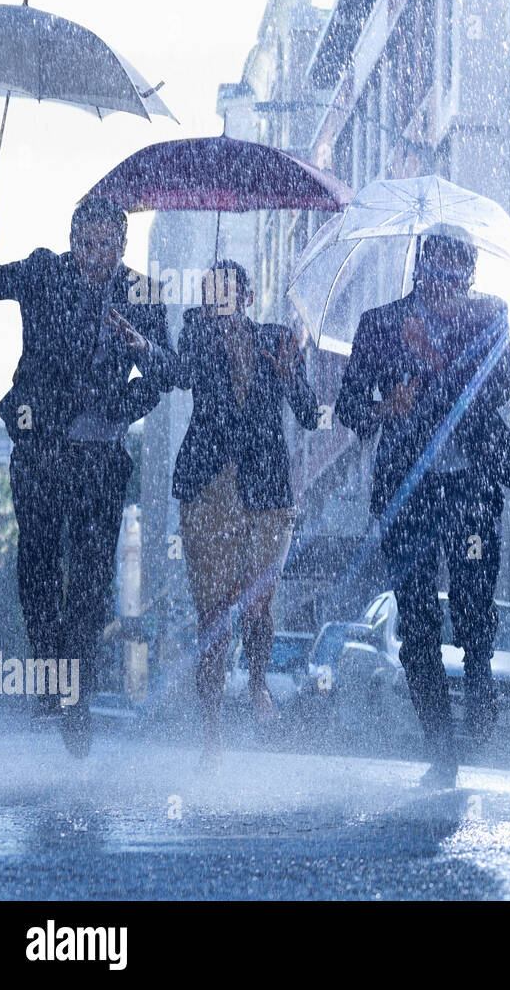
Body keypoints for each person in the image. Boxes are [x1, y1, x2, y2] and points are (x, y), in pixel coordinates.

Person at [0, 195, 176, 756]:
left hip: (101, 457)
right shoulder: (43, 271)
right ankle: (49, 671)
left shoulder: (141, 292)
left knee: (89, 583)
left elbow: (167, 372)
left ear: (123, 246)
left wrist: (129, 384)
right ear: (71, 240)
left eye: (107, 246)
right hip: (41, 445)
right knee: (38, 562)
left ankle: (76, 696)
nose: (95, 258)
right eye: (85, 245)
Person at [336, 233, 510, 789]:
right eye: (434, 277)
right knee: (417, 621)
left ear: (469, 281)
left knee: (472, 600)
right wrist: (382, 406)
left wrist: (436, 359)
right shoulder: (378, 323)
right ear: (418, 274)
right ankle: (440, 743)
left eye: (455, 280)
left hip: (469, 485)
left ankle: (481, 681)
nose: (444, 289)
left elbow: (500, 390)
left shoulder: (490, 315)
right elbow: (348, 406)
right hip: (407, 492)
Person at [172, 261, 319, 771]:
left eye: (228, 291)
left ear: (248, 297)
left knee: (257, 605)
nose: (219, 299)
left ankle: (257, 683)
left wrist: (290, 376)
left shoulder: (276, 338)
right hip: (209, 488)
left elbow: (310, 414)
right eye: (210, 290)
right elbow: (178, 376)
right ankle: (211, 732)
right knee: (213, 616)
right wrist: (187, 333)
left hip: (267, 491)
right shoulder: (196, 333)